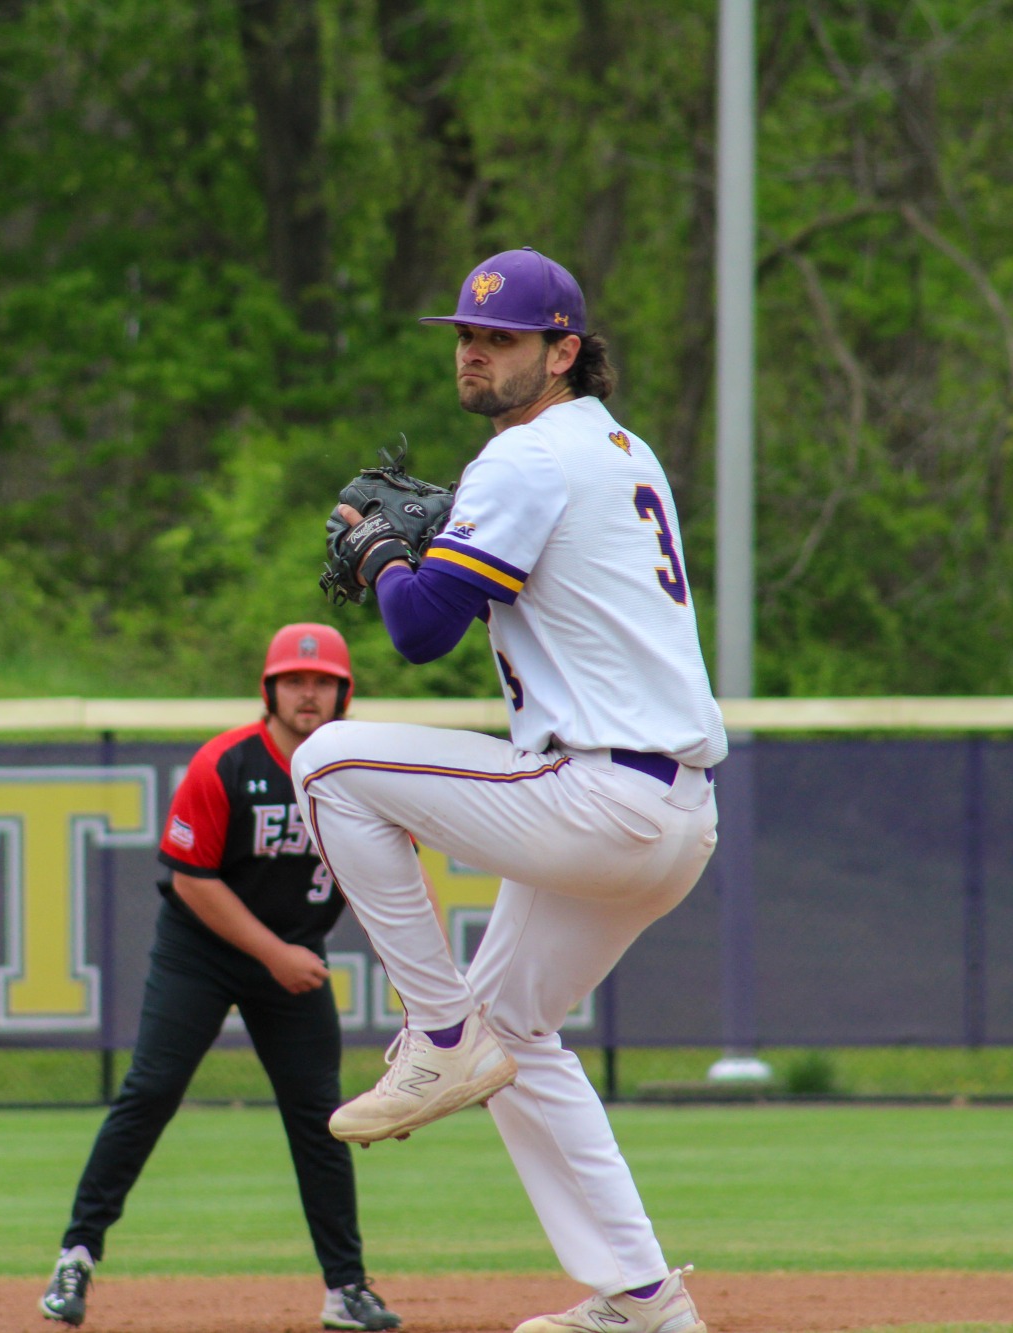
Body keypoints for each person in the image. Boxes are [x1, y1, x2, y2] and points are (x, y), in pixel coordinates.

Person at [290, 248, 727, 1333]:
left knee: (326, 762)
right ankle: (640, 1297)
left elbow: (419, 630)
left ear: (563, 351)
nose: (473, 352)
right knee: (518, 1033)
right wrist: (430, 547)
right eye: (464, 335)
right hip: (672, 811)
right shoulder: (622, 453)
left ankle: (434, 1038)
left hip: (598, 799)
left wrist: (393, 551)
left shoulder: (524, 459)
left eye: (501, 337)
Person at [39, 624, 402, 1333]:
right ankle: (76, 1252)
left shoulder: (364, 773)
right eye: (294, 680)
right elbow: (191, 878)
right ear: (269, 690)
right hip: (201, 950)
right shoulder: (227, 762)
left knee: (320, 1117)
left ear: (343, 692)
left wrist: (429, 996)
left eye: (322, 680)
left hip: (291, 959)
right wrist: (273, 953)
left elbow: (391, 883)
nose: (309, 691)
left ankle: (345, 1287)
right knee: (151, 1090)